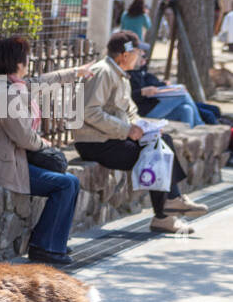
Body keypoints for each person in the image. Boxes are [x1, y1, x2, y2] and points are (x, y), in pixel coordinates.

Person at [72, 31, 208, 235]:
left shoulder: (120, 75)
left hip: (111, 139)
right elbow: (89, 112)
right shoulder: (103, 72)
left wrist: (144, 128)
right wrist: (127, 129)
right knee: (156, 153)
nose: (139, 57)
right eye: (136, 52)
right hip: (95, 143)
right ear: (125, 54)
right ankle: (167, 211)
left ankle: (169, 208)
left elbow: (130, 112)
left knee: (161, 141)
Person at [0, 37, 82, 266]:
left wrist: (76, 72)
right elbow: (22, 136)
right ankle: (43, 246)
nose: (29, 61)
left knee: (70, 181)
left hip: (18, 161)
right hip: (4, 167)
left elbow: (44, 81)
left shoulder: (14, 86)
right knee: (66, 184)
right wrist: (45, 145)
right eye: (26, 57)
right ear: (18, 62)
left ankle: (53, 243)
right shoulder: (3, 93)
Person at [126, 61, 223, 128]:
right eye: (140, 54)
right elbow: (127, 97)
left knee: (186, 109)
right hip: (143, 112)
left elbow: (152, 84)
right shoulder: (127, 73)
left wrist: (163, 85)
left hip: (152, 105)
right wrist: (142, 92)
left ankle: (190, 140)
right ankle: (199, 124)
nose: (144, 59)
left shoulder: (140, 71)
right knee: (182, 93)